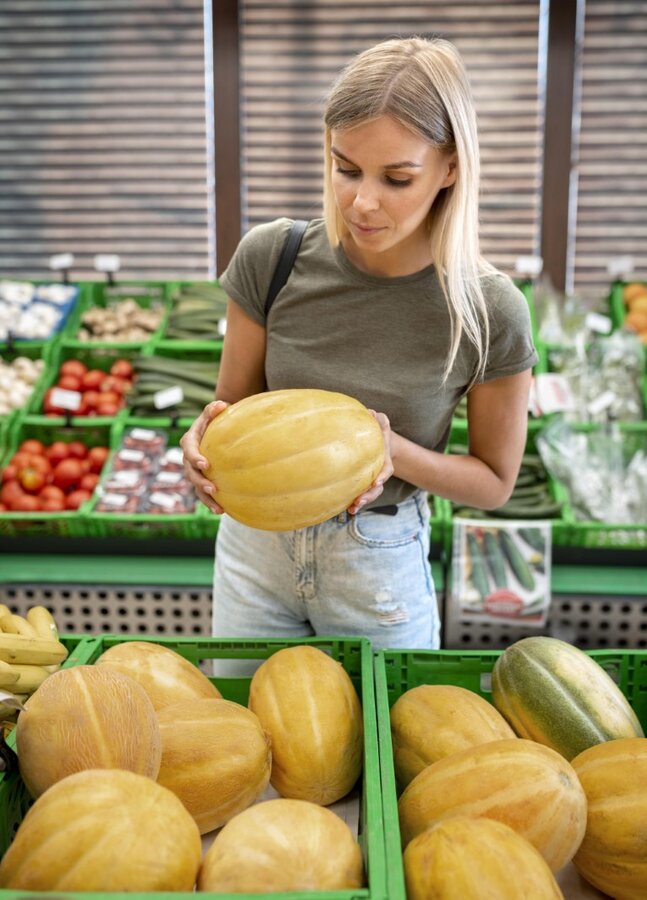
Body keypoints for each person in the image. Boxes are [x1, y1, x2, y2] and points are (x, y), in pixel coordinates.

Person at [181, 36, 538, 650]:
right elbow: (230, 410)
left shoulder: (489, 308)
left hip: (378, 559)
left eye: (397, 178)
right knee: (242, 739)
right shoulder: (274, 258)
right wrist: (202, 444)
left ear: (451, 167)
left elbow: (495, 481)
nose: (362, 202)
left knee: (383, 740)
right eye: (345, 169)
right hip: (254, 552)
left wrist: (388, 450)